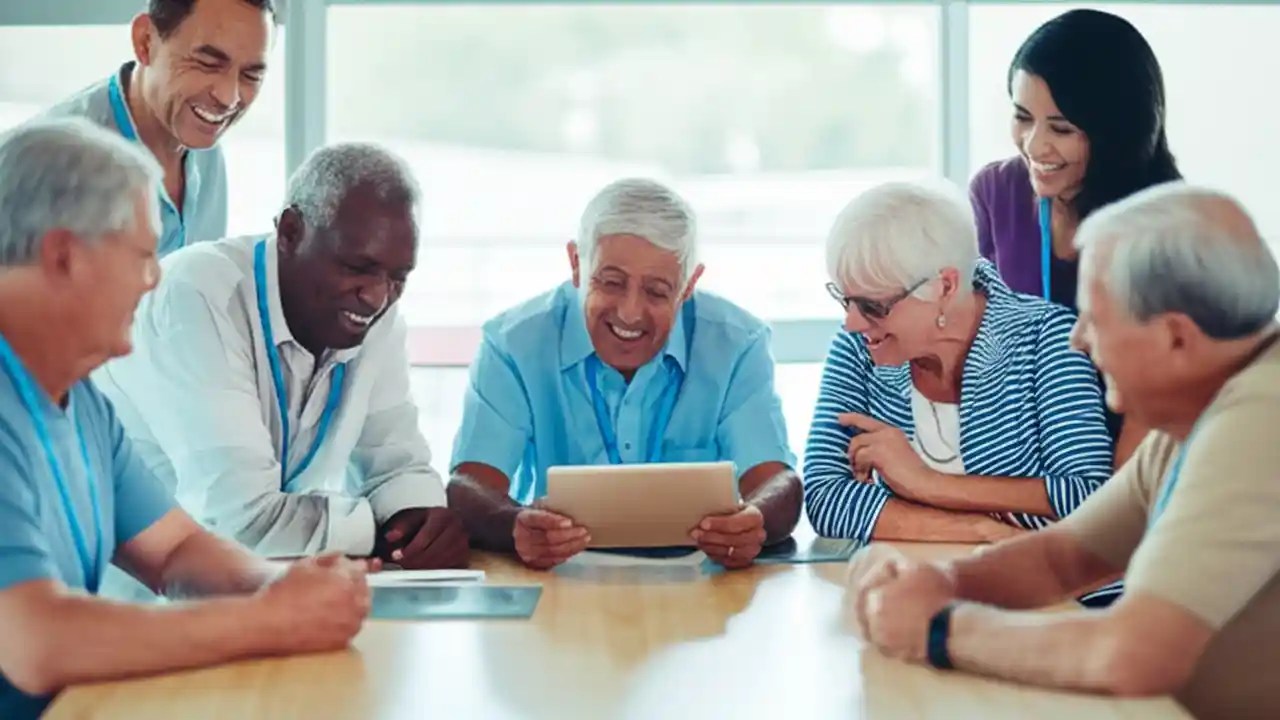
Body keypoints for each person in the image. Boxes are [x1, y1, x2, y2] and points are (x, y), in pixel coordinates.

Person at [846, 183, 1280, 720]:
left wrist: (937, 629)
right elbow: (1063, 557)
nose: (1078, 341)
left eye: (1095, 319)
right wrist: (942, 582)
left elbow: (1135, 653)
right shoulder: (1197, 414)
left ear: (1175, 338)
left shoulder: (1263, 414)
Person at [0, 119, 371, 720]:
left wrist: (282, 587)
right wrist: (265, 620)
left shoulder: (80, 400)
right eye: (144, 256)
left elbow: (176, 549)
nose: (154, 280)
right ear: (64, 255)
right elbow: (36, 641)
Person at [94, 142, 467, 569]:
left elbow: (398, 463)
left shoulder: (376, 318)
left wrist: (419, 524)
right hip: (133, 607)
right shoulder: (197, 295)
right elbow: (237, 520)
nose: (377, 296)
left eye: (398, 277)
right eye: (356, 268)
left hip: (264, 596)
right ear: (290, 232)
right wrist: (383, 531)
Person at [447, 178, 801, 570]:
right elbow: (468, 486)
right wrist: (515, 526)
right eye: (612, 282)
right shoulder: (513, 343)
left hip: (699, 584)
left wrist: (755, 521)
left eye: (657, 291)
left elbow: (778, 483)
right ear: (577, 264)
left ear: (688, 286)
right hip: (559, 580)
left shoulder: (738, 343)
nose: (630, 312)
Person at [804, 181, 1117, 602]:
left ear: (946, 287)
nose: (852, 324)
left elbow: (1088, 496)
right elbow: (826, 499)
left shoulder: (1047, 337)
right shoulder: (858, 348)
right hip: (920, 594)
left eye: (873, 306)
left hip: (1062, 599)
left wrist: (925, 484)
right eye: (845, 301)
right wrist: (980, 531)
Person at [969, 9, 1182, 464]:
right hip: (1027, 462)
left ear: (1115, 132)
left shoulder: (1167, 226)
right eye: (1023, 117)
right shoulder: (995, 193)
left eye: (1062, 129)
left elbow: (1163, 401)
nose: (1034, 146)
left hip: (1142, 460)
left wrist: (1106, 514)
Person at [45, 0, 279, 257]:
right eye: (207, 63)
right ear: (146, 42)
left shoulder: (203, 143)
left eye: (251, 76)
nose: (228, 98)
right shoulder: (51, 168)